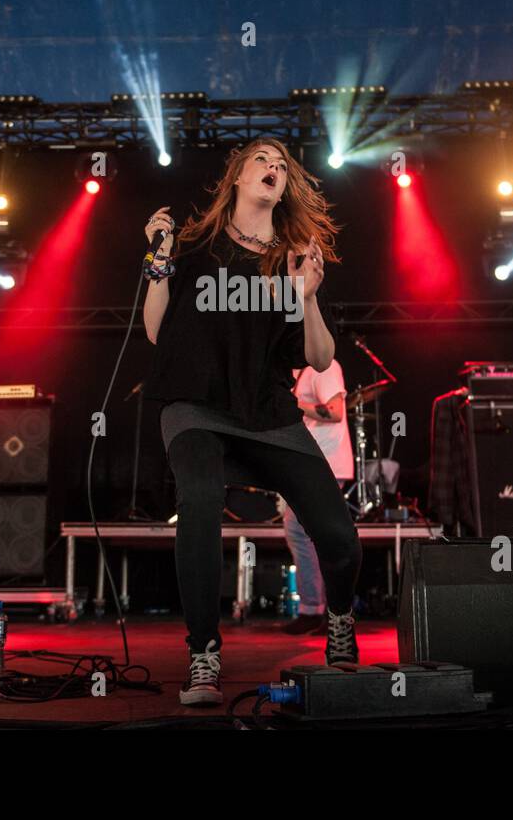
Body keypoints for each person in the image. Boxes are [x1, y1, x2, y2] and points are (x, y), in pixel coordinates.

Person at [143, 137, 362, 706]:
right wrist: (159, 263)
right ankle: (203, 655)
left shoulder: (290, 260)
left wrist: (308, 298)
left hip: (266, 414)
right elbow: (153, 330)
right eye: (261, 161)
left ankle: (339, 618)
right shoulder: (194, 245)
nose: (273, 169)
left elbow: (318, 358)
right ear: (237, 178)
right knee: (197, 501)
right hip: (193, 405)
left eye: (282, 166)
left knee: (339, 536)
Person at [281, 361, 354, 634]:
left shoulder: (323, 366)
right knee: (305, 533)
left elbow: (334, 413)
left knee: (314, 534)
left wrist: (292, 405)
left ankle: (323, 611)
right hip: (313, 462)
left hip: (326, 463)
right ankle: (319, 610)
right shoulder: (300, 372)